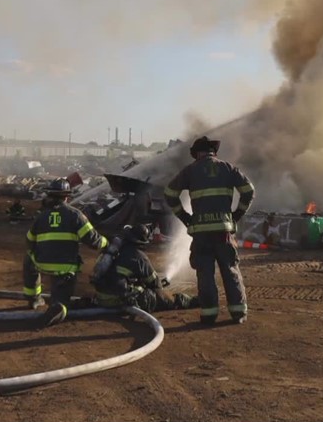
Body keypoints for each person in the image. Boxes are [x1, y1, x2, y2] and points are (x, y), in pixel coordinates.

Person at [163, 135, 255, 325]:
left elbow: (170, 193)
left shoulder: (190, 171)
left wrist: (185, 218)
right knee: (230, 269)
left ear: (197, 153)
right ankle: (238, 312)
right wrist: (236, 214)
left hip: (201, 234)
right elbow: (249, 190)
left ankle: (209, 314)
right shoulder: (228, 168)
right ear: (213, 152)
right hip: (223, 232)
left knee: (205, 273)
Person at [23, 177, 109, 327]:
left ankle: (34, 298)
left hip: (41, 263)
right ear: (67, 196)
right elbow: (93, 240)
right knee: (61, 302)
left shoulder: (41, 216)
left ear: (49, 195)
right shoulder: (75, 215)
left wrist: (40, 253)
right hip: (65, 268)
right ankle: (59, 307)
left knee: (28, 259)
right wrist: (107, 243)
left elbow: (29, 240)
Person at [90, 223, 198, 312]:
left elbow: (115, 276)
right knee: (167, 300)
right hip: (120, 301)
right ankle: (194, 301)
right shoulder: (139, 257)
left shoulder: (112, 250)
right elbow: (155, 284)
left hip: (100, 298)